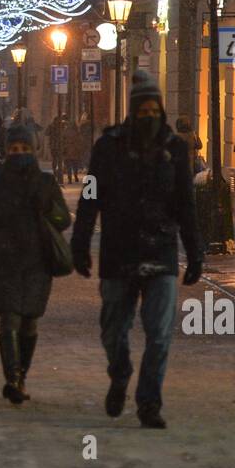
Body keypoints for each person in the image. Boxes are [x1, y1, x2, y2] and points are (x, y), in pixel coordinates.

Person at [71, 71, 202, 429]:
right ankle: (120, 371)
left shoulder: (174, 149)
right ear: (132, 109)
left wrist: (195, 251)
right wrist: (80, 243)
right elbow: (90, 196)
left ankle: (149, 404)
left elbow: (185, 204)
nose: (148, 115)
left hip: (161, 252)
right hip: (118, 252)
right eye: (141, 108)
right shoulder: (108, 146)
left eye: (153, 108)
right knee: (113, 330)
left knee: (159, 335)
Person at [0, 124, 70, 405]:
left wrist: (46, 209)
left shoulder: (46, 183)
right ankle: (12, 377)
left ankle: (21, 374)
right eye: (14, 149)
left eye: (24, 149)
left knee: (30, 322)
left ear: (33, 150)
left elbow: (64, 220)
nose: (19, 154)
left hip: (38, 263)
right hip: (4, 264)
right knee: (9, 318)